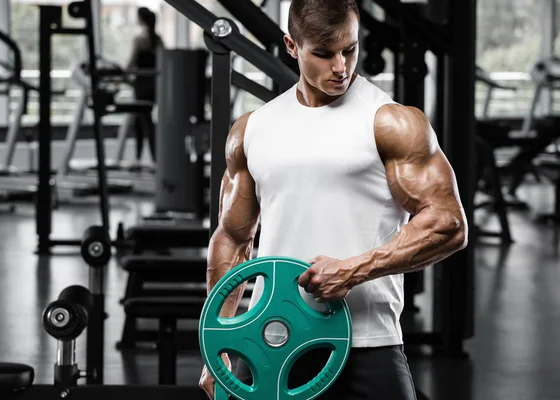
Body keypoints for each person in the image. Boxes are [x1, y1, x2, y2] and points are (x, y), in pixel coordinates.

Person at [199, 0, 468, 398]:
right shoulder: (253, 129)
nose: (341, 67)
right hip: (274, 337)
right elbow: (233, 238)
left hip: (367, 341)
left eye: (350, 49)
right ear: (292, 46)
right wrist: (218, 343)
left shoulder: (391, 122)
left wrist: (354, 269)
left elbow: (449, 224)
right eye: (323, 54)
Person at [125, 6, 163, 164]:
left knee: (140, 122)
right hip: (154, 85)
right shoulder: (158, 39)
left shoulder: (139, 40)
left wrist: (122, 74)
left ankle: (139, 158)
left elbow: (131, 64)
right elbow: (163, 63)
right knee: (147, 122)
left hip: (141, 85)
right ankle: (154, 158)